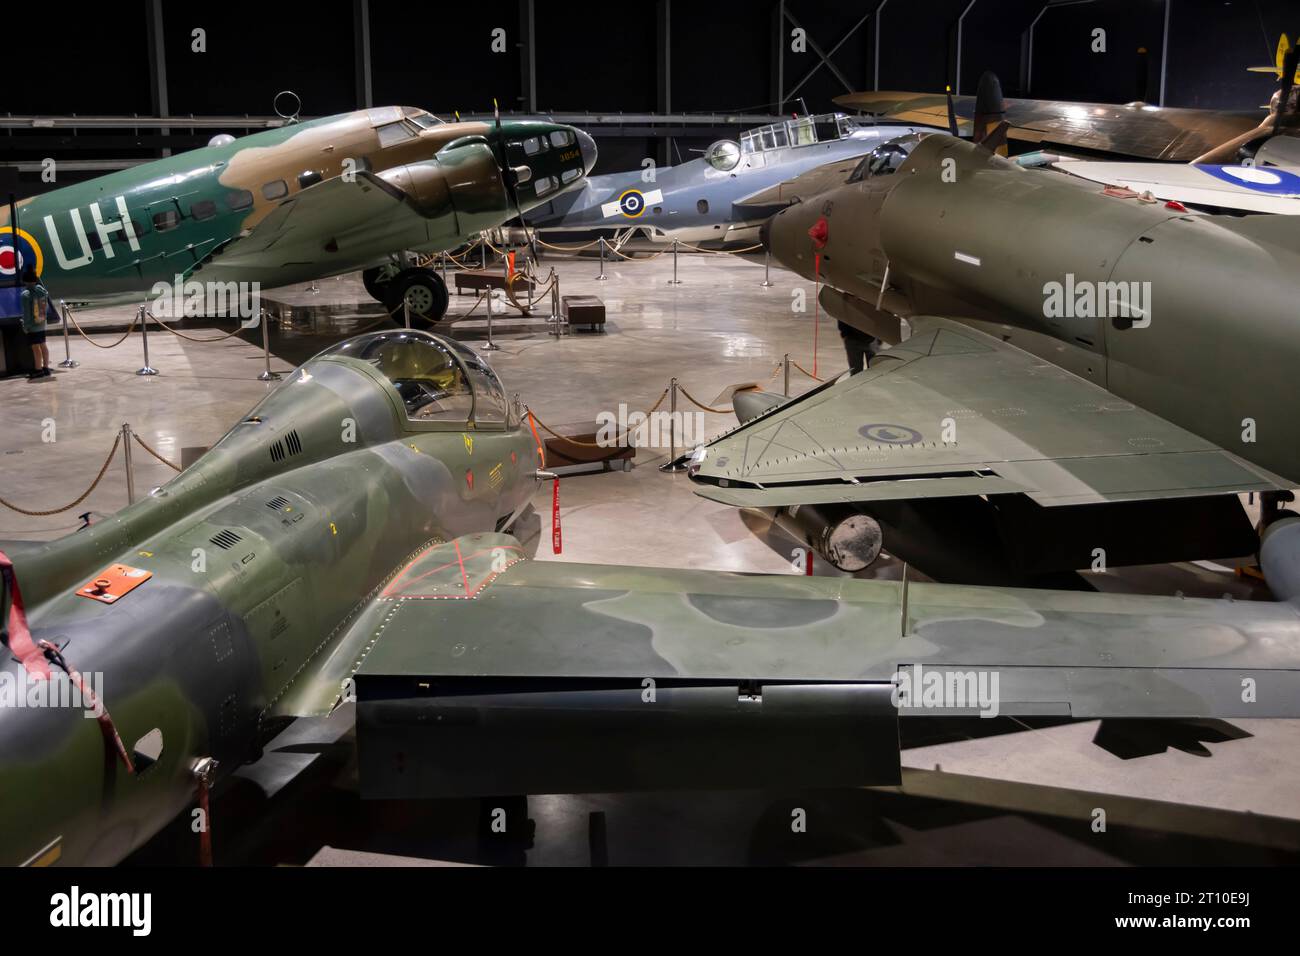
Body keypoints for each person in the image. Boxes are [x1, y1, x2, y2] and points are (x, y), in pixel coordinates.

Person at [19, 268, 51, 379]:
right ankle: (46, 368)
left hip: (33, 326)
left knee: (35, 347)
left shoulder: (25, 294)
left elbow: (27, 313)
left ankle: (38, 370)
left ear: (25, 281)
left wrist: (25, 326)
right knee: (43, 345)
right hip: (42, 322)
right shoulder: (41, 290)